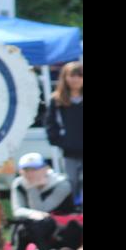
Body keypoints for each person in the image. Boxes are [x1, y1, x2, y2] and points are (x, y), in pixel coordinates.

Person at [9, 152, 80, 250]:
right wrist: (32, 214)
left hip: (62, 230)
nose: (30, 173)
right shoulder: (19, 184)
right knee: (23, 229)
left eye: (34, 169)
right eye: (26, 170)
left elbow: (42, 209)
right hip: (34, 227)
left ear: (46, 169)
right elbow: (18, 210)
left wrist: (32, 188)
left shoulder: (61, 183)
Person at [45, 60, 83, 208]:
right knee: (71, 181)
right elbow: (50, 124)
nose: (76, 80)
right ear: (65, 78)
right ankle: (73, 212)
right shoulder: (57, 100)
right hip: (69, 150)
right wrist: (60, 141)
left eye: (80, 76)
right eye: (72, 76)